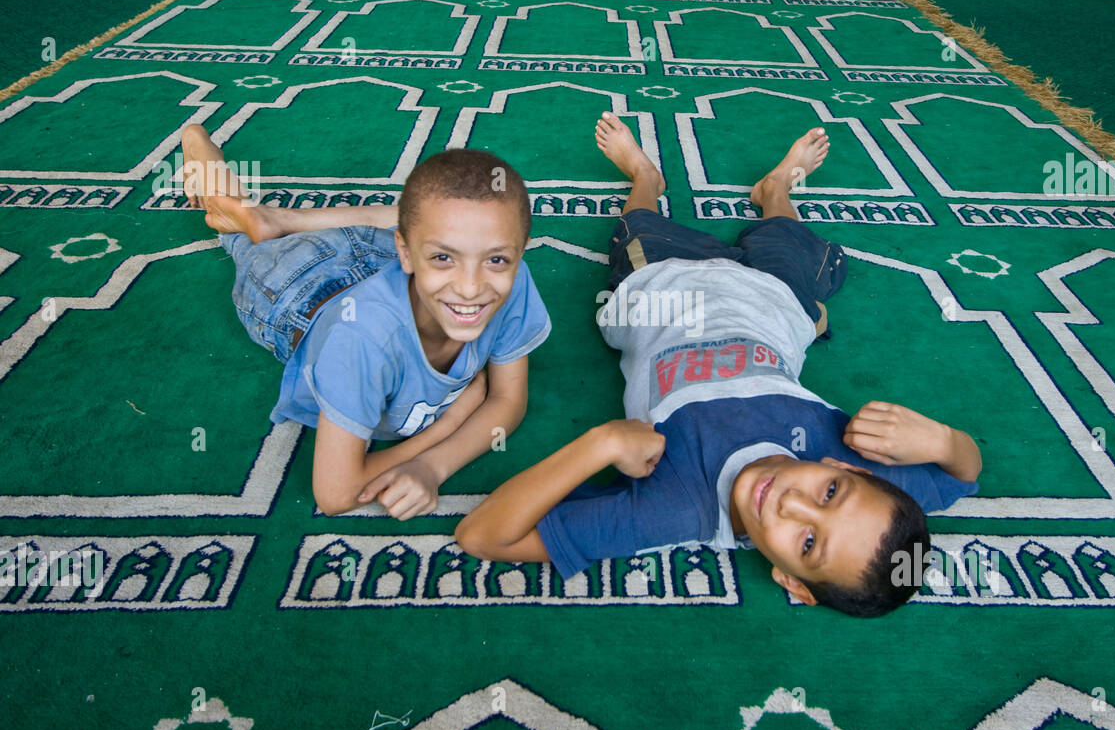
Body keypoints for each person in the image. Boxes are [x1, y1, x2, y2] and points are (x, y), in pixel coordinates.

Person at [455, 114, 982, 617]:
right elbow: (963, 474)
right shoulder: (865, 476)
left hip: (665, 286)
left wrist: (601, 444)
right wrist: (942, 441)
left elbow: (483, 535)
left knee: (639, 224)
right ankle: (775, 189)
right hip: (774, 300)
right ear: (849, 469)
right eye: (829, 492)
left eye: (807, 542)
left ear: (792, 582)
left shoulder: (675, 506)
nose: (793, 503)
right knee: (787, 237)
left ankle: (644, 175)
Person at [180, 125, 550, 520]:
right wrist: (450, 424)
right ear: (407, 255)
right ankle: (203, 153)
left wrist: (432, 466)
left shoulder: (512, 281)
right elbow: (336, 495)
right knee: (237, 234)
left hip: (378, 254)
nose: (471, 287)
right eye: (445, 258)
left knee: (431, 217)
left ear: (519, 254)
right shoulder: (361, 340)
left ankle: (278, 216)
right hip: (296, 290)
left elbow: (507, 401)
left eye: (496, 260)